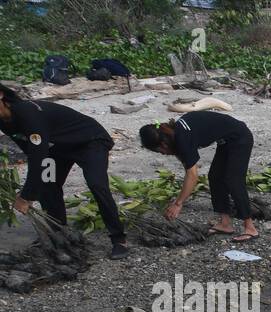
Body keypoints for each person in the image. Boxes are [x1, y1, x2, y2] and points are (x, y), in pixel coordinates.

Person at [0, 83, 127, 259]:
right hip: (58, 149)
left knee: (97, 184)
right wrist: (35, 188)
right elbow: (31, 151)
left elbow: (39, 157)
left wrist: (26, 196)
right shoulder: (4, 121)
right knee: (47, 184)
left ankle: (119, 239)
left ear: (1, 95)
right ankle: (59, 234)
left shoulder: (26, 113)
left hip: (89, 142)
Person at [138, 112, 257, 241]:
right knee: (215, 177)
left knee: (234, 181)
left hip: (240, 138)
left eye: (159, 151)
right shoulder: (175, 133)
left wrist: (178, 203)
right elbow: (188, 168)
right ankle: (225, 223)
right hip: (226, 141)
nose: (162, 154)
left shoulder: (182, 139)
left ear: (163, 144)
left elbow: (193, 175)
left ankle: (250, 227)